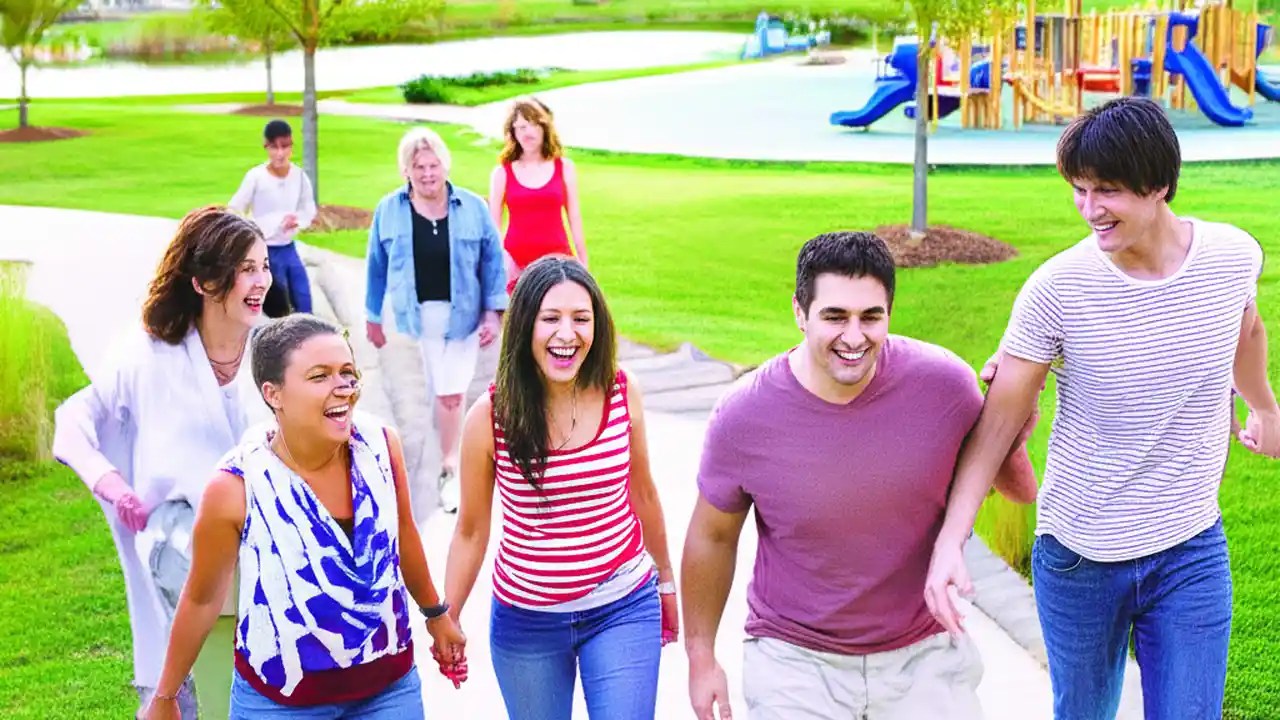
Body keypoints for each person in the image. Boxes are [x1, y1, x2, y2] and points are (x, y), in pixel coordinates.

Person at [924, 97, 1279, 720]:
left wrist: (1265, 409)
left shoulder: (1231, 257)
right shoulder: (1057, 289)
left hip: (1190, 547)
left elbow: (1245, 332)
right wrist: (952, 539)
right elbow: (998, 422)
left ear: (1159, 185)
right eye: (1079, 191)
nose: (1090, 210)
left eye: (1106, 191)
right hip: (1080, 555)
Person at [681, 231, 1040, 720]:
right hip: (795, 661)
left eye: (871, 317)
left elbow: (1020, 490)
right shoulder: (744, 415)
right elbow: (712, 537)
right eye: (835, 317)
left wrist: (1011, 423)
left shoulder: (943, 385)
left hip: (923, 656)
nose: (854, 337)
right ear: (800, 312)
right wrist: (701, 657)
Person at [140, 314, 468, 720]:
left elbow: (402, 535)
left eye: (348, 372)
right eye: (320, 376)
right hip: (280, 702)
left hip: (388, 690)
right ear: (273, 393)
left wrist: (436, 615)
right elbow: (202, 598)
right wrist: (166, 695)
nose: (343, 389)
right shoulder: (237, 485)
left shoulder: (382, 445)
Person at [52, 206, 274, 719]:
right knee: (181, 697)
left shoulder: (274, 348)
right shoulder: (148, 353)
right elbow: (75, 421)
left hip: (266, 565)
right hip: (179, 561)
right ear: (203, 280)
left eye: (263, 265)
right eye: (245, 269)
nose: (261, 281)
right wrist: (113, 486)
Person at [444, 257, 679, 720]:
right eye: (550, 319)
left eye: (581, 319)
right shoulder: (489, 417)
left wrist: (666, 581)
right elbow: (471, 531)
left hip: (622, 605)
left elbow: (644, 494)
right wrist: (446, 617)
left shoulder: (621, 391)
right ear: (526, 325)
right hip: (526, 623)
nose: (567, 334)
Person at [365, 126, 507, 516]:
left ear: (445, 164)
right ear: (406, 171)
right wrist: (372, 316)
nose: (427, 173)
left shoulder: (473, 208)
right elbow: (376, 267)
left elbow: (493, 262)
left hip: (462, 316)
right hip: (411, 318)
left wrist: (493, 313)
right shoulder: (389, 210)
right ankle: (428, 466)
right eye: (418, 166)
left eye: (433, 164)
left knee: (450, 395)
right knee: (425, 397)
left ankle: (449, 468)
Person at [488, 97, 587, 293]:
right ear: (513, 133)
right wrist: (504, 262)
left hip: (558, 262)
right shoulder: (501, 173)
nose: (527, 132)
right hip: (516, 266)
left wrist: (583, 262)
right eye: (521, 127)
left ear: (544, 128)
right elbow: (492, 227)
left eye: (533, 125)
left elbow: (574, 217)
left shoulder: (565, 168)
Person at [229, 119, 317, 317]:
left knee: (303, 298)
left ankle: (308, 338)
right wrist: (256, 232)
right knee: (278, 306)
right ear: (266, 147)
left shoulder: (299, 176)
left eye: (285, 147)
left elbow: (308, 208)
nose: (280, 153)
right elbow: (235, 208)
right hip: (265, 251)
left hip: (288, 247)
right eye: (274, 147)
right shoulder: (256, 177)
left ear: (291, 146)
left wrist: (299, 222)